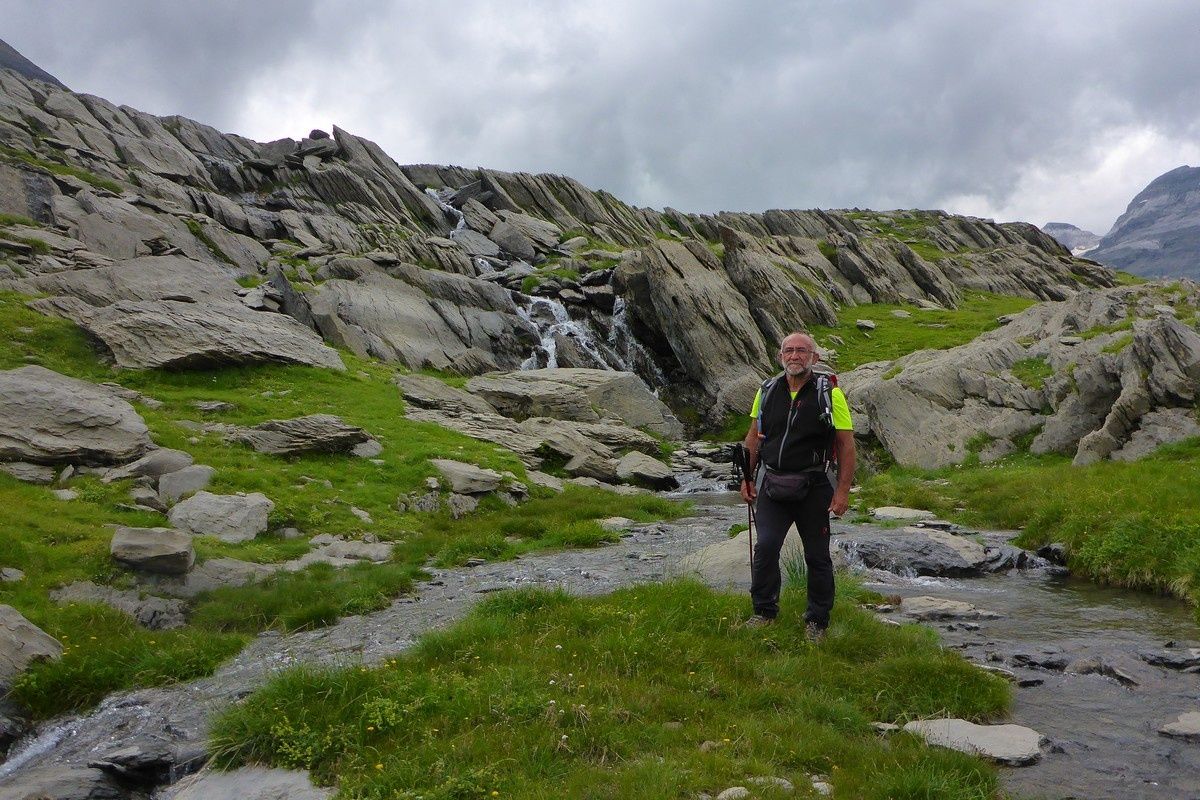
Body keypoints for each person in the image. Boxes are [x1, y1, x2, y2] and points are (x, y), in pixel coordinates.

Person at [739, 331, 856, 641]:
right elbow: (753, 437)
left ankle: (817, 621)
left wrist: (842, 491)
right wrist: (747, 478)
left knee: (817, 556)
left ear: (814, 358)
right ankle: (764, 612)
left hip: (814, 486)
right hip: (772, 484)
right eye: (789, 350)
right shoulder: (766, 391)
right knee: (765, 548)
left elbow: (846, 445)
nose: (795, 356)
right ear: (780, 357)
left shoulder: (830, 394)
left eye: (802, 351)